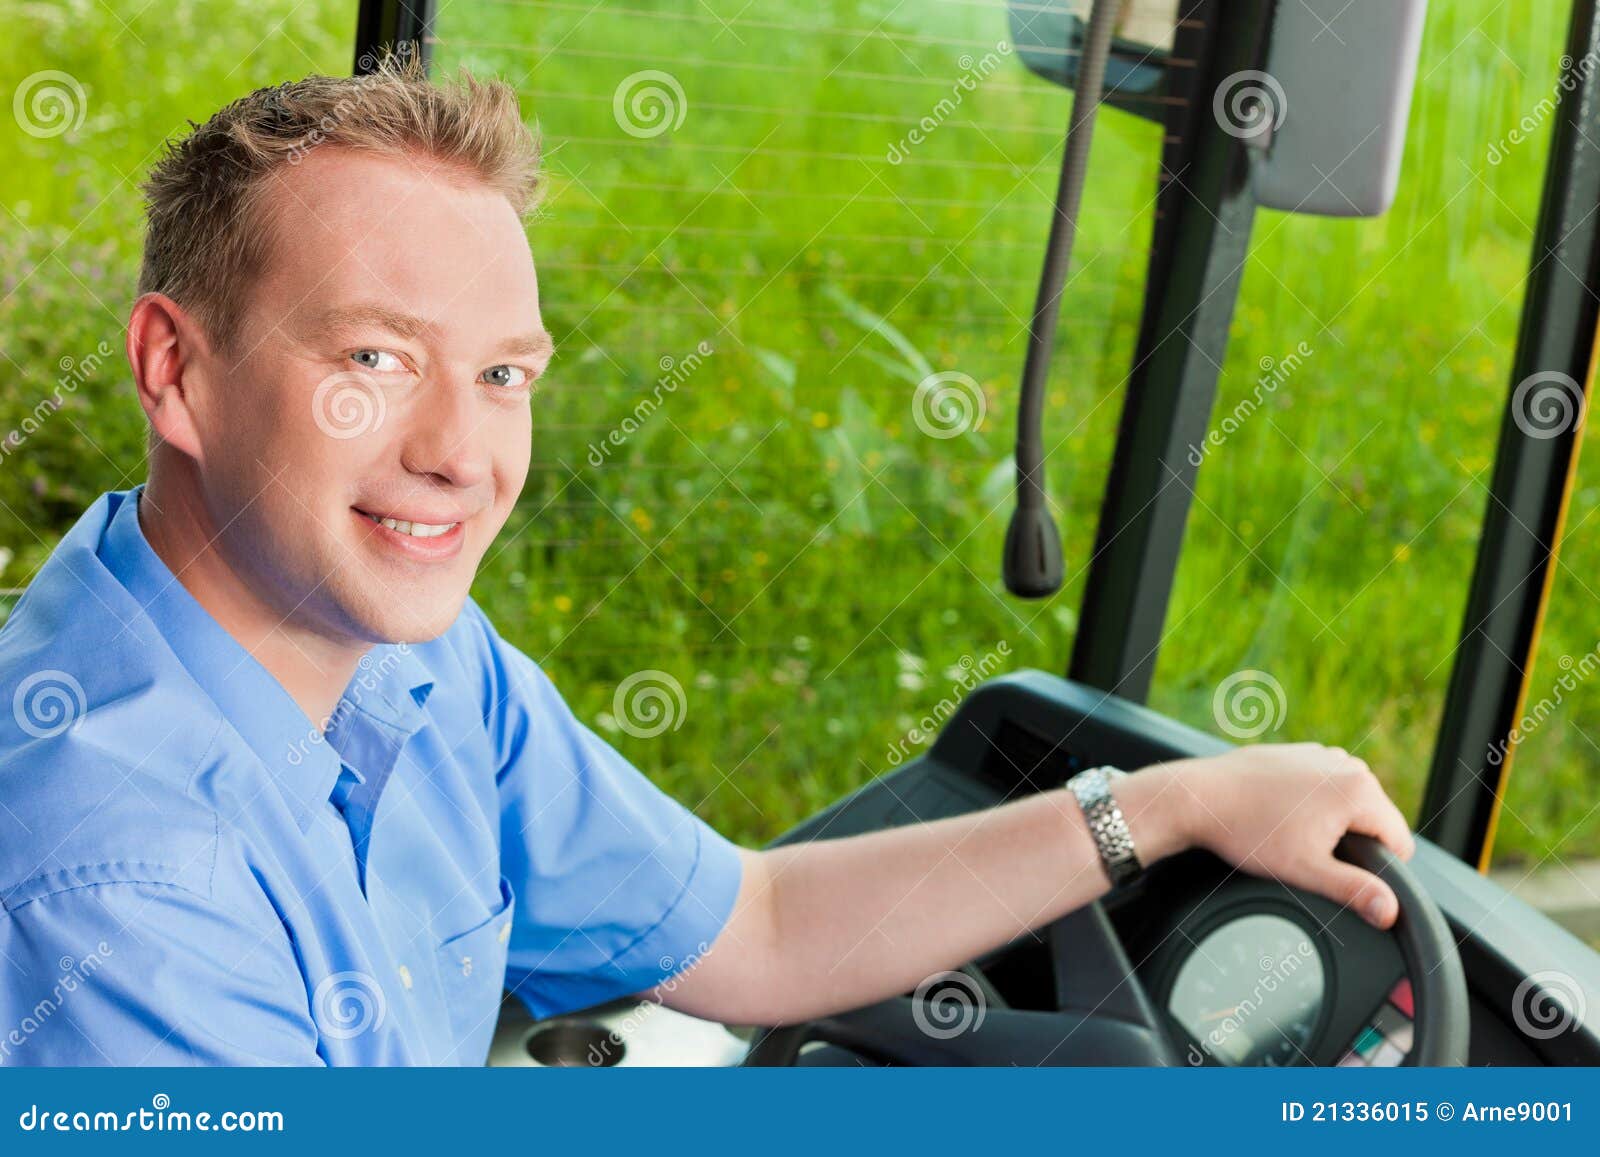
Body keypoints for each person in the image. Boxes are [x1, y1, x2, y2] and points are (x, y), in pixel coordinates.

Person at [0, 59, 1413, 1066]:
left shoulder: (415, 663)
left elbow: (764, 920)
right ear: (174, 372)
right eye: (376, 359)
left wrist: (1166, 808)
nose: (459, 451)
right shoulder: (113, 880)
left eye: (504, 374)